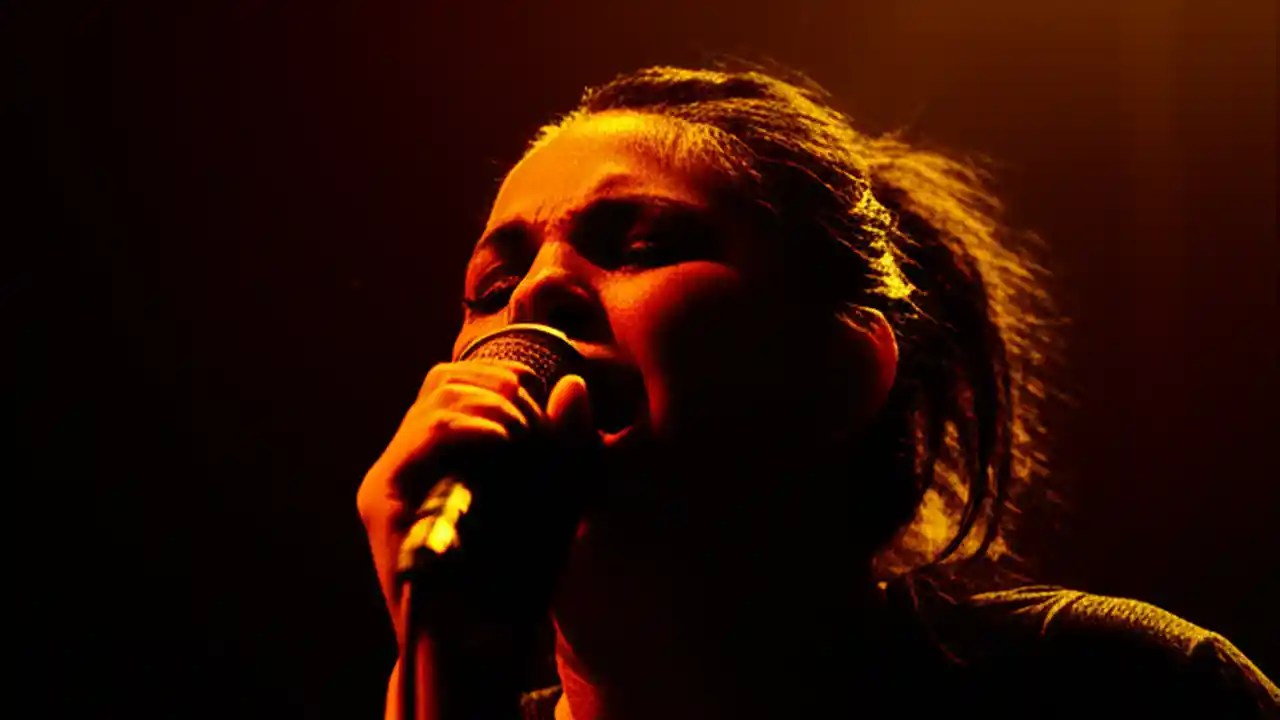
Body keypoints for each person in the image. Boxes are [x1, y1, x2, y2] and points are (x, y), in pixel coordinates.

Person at [356, 65, 1279, 719]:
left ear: (841, 367)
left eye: (638, 245)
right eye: (490, 287)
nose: (536, 291)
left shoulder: (1117, 690)